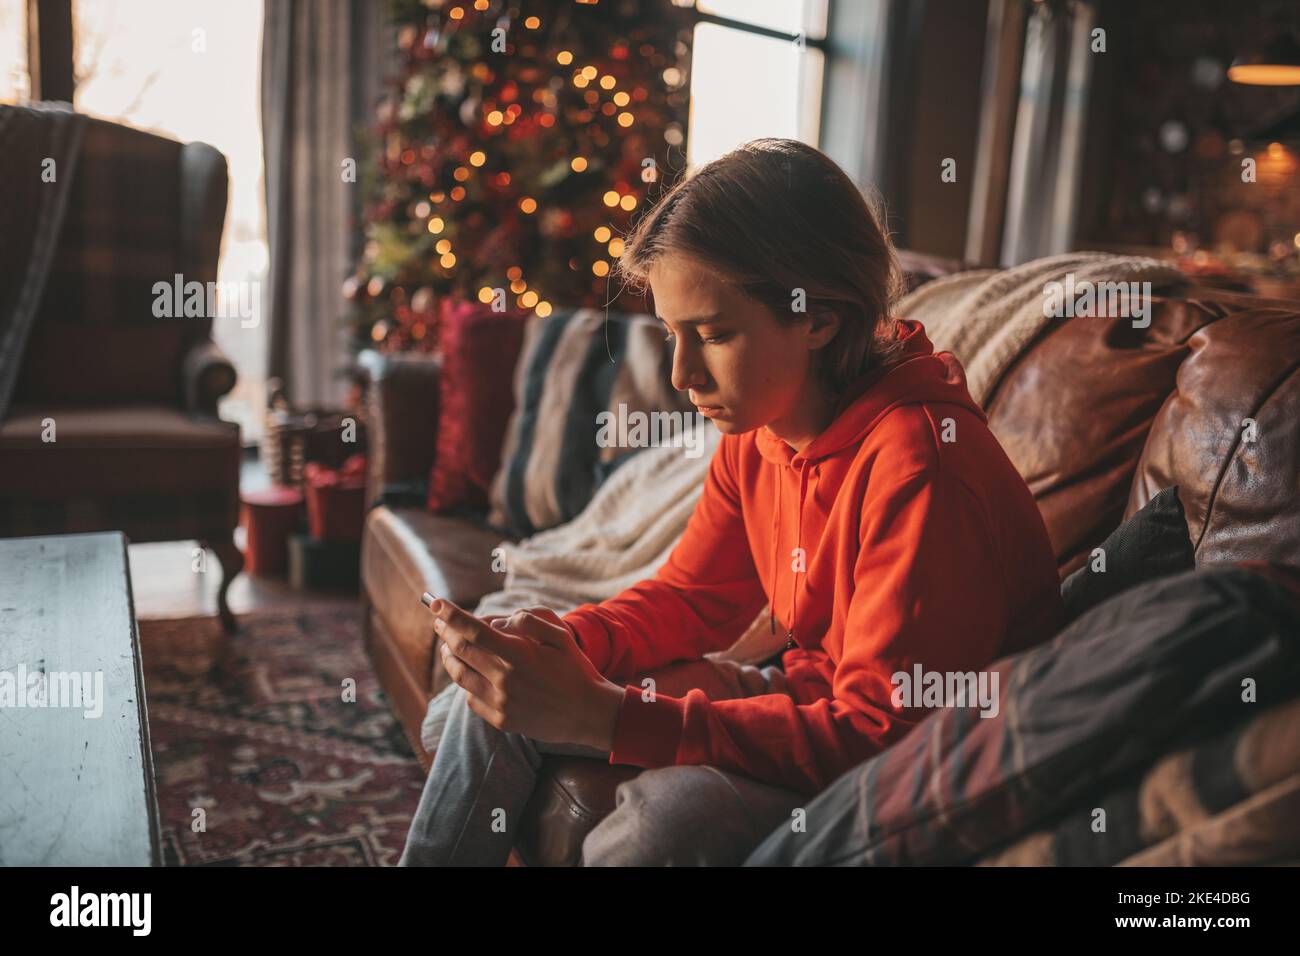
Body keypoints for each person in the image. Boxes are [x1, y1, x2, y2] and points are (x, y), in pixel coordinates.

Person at [399, 138, 1064, 866]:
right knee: (498, 692)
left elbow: (884, 732)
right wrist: (566, 644)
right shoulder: (762, 431)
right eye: (671, 336)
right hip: (806, 694)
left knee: (669, 821)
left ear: (819, 316)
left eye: (712, 335)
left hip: (914, 767)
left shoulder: (923, 467)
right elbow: (693, 597)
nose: (683, 374)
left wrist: (611, 715)